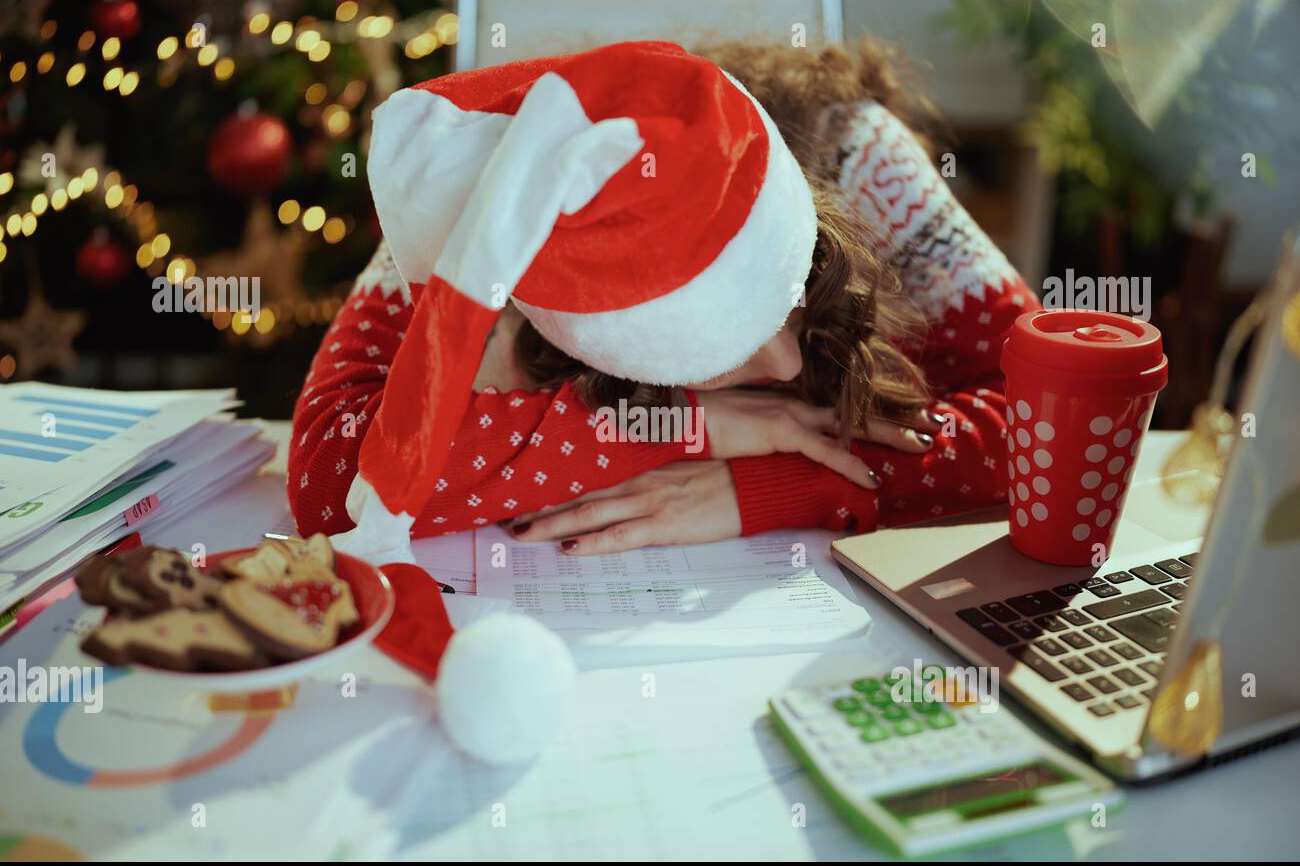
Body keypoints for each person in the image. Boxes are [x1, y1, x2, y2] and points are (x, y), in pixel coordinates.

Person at [289, 38, 1037, 559]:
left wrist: (781, 483)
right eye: (717, 353)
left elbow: (1053, 420)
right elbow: (332, 478)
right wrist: (673, 426)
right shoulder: (475, 206)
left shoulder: (860, 153)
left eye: (798, 283)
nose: (782, 367)